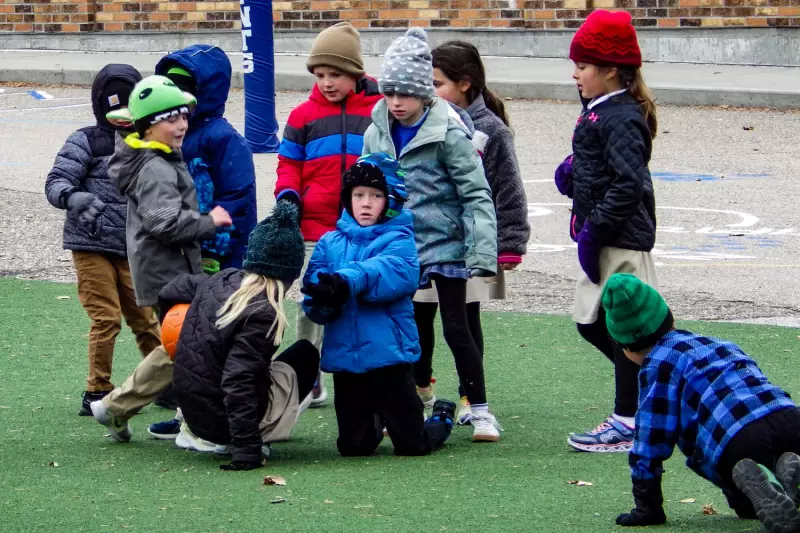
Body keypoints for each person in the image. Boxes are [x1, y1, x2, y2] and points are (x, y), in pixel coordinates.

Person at [362, 28, 501, 442]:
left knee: (457, 327)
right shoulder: (376, 132)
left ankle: (480, 410)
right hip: (402, 244)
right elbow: (367, 191)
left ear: (425, 93)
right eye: (389, 94)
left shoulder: (449, 133)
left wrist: (481, 253)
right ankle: (414, 395)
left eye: (405, 94)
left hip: (448, 243)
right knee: (409, 324)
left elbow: (476, 193)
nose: (396, 103)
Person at [89, 75, 232, 441]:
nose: (181, 124)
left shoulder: (160, 157)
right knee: (181, 347)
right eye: (170, 119)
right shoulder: (154, 167)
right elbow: (163, 222)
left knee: (185, 346)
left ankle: (150, 412)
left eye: (183, 116)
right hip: (166, 274)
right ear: (148, 127)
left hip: (170, 270)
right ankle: (117, 407)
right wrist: (208, 223)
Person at [601, 274, 800, 532]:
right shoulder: (719, 344)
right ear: (670, 317)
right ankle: (788, 478)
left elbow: (651, 441)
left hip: (738, 438)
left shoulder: (658, 365)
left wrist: (647, 507)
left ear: (625, 348)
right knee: (763, 483)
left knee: (748, 495)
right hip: (787, 416)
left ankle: (766, 484)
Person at [301, 153, 456, 457]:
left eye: (376, 195)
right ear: (348, 199)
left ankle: (441, 417)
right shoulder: (329, 243)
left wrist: (344, 282)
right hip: (347, 359)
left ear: (391, 200)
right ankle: (373, 418)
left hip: (390, 356)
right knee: (353, 447)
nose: (366, 203)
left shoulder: (399, 239)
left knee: (413, 444)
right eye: (358, 195)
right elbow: (314, 296)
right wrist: (322, 299)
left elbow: (389, 273)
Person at [555, 10, 660, 453]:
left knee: (625, 331)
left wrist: (595, 229)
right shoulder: (600, 112)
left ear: (610, 70)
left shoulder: (620, 115)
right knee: (591, 323)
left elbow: (629, 182)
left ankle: (629, 417)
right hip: (605, 237)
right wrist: (574, 173)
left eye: (583, 65)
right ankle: (648, 394)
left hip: (621, 241)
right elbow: (602, 166)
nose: (575, 73)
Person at [411, 40, 530, 424]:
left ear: (464, 84)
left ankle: (470, 399)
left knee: (463, 319)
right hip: (425, 239)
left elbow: (507, 188)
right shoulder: (423, 121)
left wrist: (510, 242)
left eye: (438, 83)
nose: (430, 92)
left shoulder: (490, 129)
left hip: (469, 245)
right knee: (418, 315)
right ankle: (420, 384)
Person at [274, 22, 382, 407]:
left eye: (335, 74)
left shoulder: (378, 111)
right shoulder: (302, 116)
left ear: (355, 73)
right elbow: (288, 164)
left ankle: (369, 369)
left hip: (364, 226)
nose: (327, 82)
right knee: (313, 299)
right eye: (320, 75)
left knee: (363, 297)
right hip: (314, 225)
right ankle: (309, 376)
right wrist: (288, 196)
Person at [44, 64, 162, 416]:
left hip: (133, 249)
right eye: (115, 108)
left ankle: (168, 381)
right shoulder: (86, 140)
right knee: (106, 318)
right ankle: (97, 389)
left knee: (146, 319)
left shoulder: (149, 143)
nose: (122, 117)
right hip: (91, 245)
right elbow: (56, 180)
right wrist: (71, 196)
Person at [165, 202, 319, 470]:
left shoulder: (220, 279)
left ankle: (200, 430)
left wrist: (176, 324)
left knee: (243, 362)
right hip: (221, 423)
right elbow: (239, 381)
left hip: (193, 411)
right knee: (305, 356)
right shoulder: (263, 312)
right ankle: (243, 435)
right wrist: (248, 449)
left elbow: (170, 290)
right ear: (291, 274)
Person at [155, 45, 257, 273]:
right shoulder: (164, 133)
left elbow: (237, 198)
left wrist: (214, 247)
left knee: (215, 304)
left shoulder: (223, 139)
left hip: (219, 253)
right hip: (176, 245)